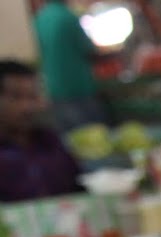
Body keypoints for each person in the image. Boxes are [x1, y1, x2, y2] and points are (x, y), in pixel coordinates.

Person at [0, 60, 82, 203]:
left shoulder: (51, 143)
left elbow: (78, 188)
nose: (27, 107)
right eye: (15, 97)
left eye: (33, 97)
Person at [32, 0, 103, 131]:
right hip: (78, 87)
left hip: (54, 89)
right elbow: (89, 50)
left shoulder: (39, 20)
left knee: (70, 137)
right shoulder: (68, 17)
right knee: (92, 133)